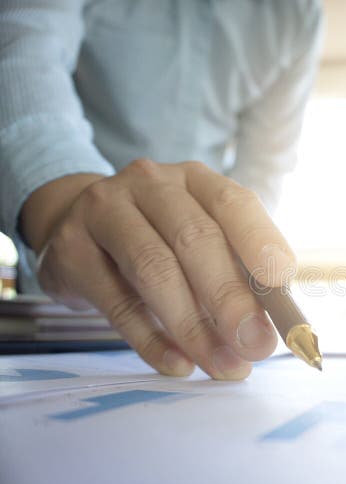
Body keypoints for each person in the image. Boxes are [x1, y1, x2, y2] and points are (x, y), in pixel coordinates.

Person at [0, 1, 322, 379]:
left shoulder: (296, 15)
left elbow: (265, 164)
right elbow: (22, 49)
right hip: (68, 294)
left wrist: (233, 253)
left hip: (206, 316)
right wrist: (62, 206)